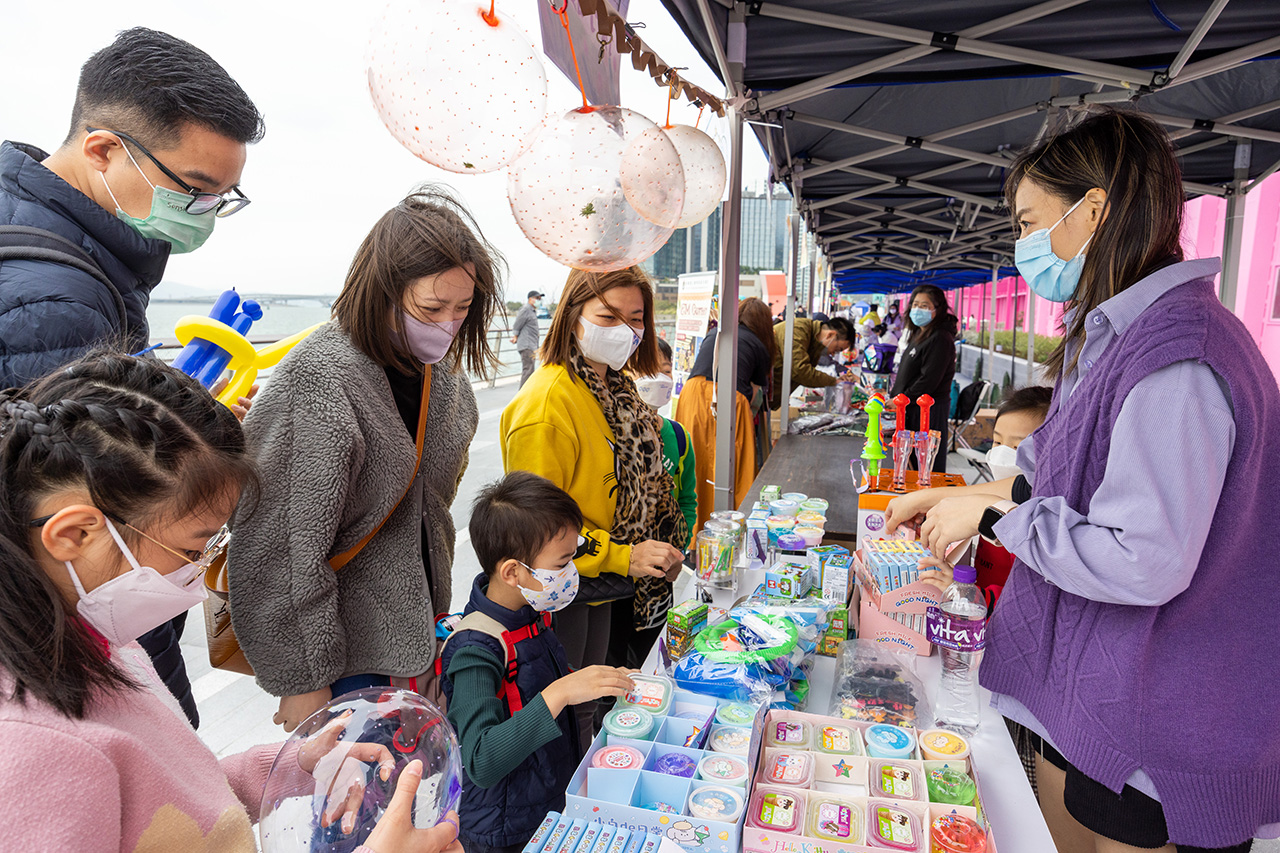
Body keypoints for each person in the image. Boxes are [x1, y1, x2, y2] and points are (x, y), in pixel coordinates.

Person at [885, 109, 1280, 852]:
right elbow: (1059, 480)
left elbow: (1144, 555)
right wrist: (960, 496)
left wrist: (995, 519)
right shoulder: (1121, 338)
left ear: (1093, 210)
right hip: (1108, 702)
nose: (1023, 244)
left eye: (1032, 222)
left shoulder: (1179, 359)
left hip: (1166, 724)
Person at [0, 352, 460, 853]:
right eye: (192, 549)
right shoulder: (30, 750)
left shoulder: (101, 643)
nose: (197, 574)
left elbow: (166, 808)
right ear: (75, 534)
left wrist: (294, 765)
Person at [0, 27, 265, 728]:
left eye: (224, 197)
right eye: (197, 190)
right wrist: (165, 717)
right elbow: (101, 552)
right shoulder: (59, 300)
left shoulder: (36, 231)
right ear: (102, 149)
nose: (206, 214)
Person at [227, 187, 502, 731]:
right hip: (344, 656)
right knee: (357, 806)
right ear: (381, 292)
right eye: (431, 308)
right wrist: (303, 678)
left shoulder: (445, 381)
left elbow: (431, 507)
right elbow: (276, 544)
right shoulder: (317, 380)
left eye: (463, 308)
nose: (448, 324)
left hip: (419, 633)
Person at [500, 267, 685, 749]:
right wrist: (623, 555)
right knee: (565, 723)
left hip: (602, 588)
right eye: (607, 315)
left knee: (597, 711)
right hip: (560, 593)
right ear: (572, 315)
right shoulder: (547, 403)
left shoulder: (612, 390)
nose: (623, 330)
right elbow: (535, 525)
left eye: (636, 318)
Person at [442, 472, 637, 853]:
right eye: (562, 562)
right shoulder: (474, 650)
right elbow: (480, 760)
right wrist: (561, 691)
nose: (570, 573)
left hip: (546, 799)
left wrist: (598, 680)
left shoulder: (532, 614)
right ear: (513, 571)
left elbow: (536, 684)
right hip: (503, 829)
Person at [614, 338, 696, 669]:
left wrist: (678, 547)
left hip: (662, 577)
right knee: (616, 660)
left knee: (652, 658)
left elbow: (687, 499)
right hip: (617, 575)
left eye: (664, 370)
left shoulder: (678, 436)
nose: (658, 378)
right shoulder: (612, 434)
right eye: (645, 371)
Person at [676, 297, 775, 533]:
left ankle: (692, 534)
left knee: (692, 465)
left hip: (692, 394)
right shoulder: (758, 346)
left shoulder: (716, 333)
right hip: (729, 398)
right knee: (736, 470)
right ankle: (730, 532)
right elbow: (755, 392)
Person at [889, 285, 957, 473]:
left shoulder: (940, 338)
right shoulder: (920, 333)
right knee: (910, 462)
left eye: (925, 306)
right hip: (911, 408)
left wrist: (902, 399)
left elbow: (928, 380)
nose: (918, 309)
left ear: (938, 308)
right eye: (915, 304)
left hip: (927, 411)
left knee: (926, 465)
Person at [769, 315, 855, 410]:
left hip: (769, 397)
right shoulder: (798, 329)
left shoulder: (815, 344)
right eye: (837, 349)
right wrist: (833, 381)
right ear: (830, 335)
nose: (833, 354)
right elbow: (800, 371)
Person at [511, 290, 543, 387]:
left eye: (540, 299)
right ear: (530, 299)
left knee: (530, 370)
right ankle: (522, 395)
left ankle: (526, 394)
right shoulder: (525, 309)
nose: (539, 301)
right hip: (526, 345)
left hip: (531, 345)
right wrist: (515, 335)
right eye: (537, 298)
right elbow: (517, 323)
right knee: (528, 371)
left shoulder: (532, 311)